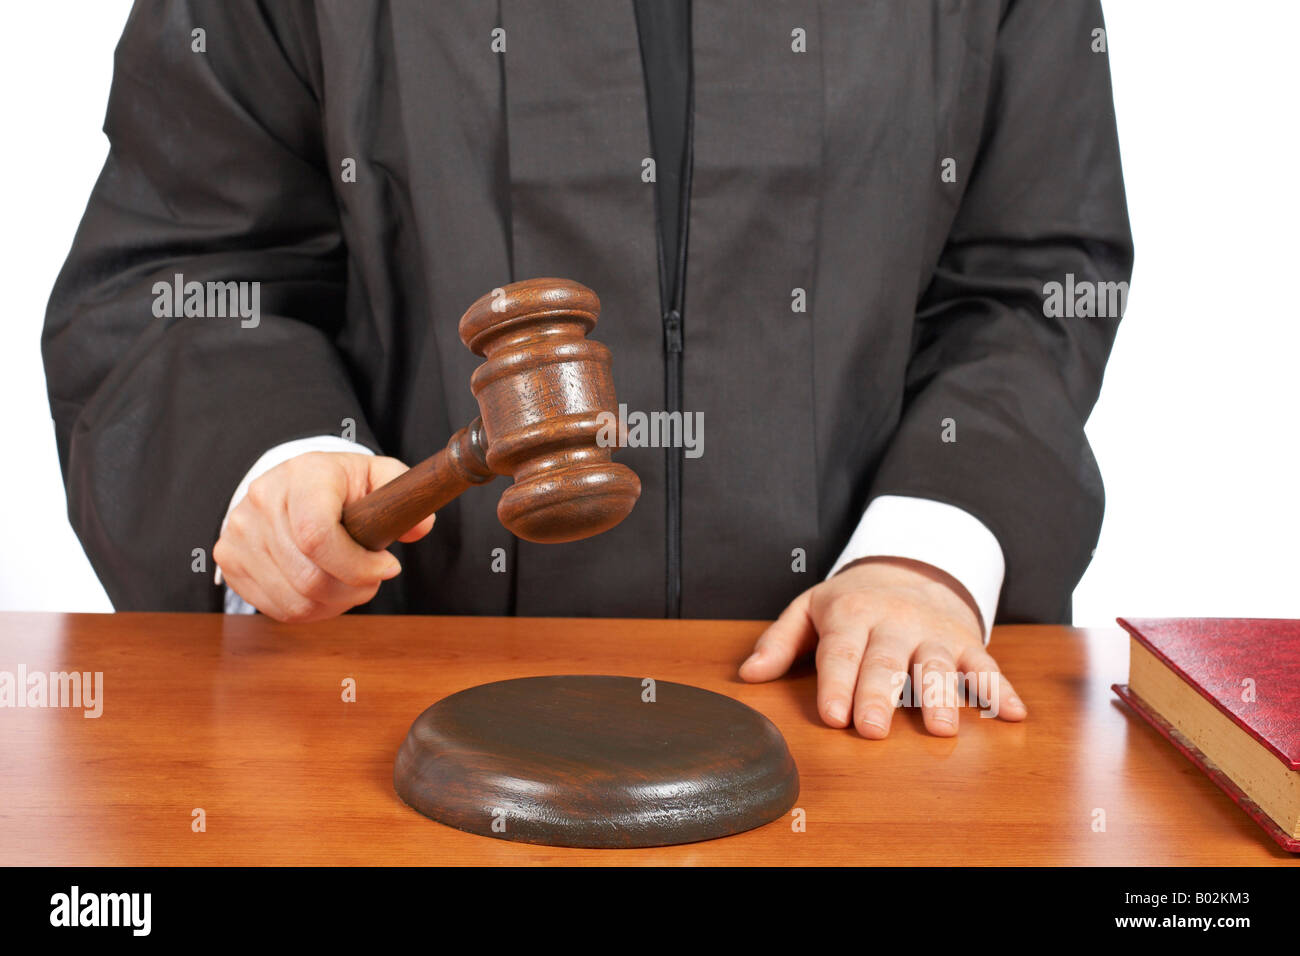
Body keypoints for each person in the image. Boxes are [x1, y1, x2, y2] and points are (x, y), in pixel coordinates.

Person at [43, 0, 1132, 740]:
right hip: (389, 721)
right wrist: (274, 459)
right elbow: (191, 266)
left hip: (856, 718)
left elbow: (1028, 278)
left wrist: (924, 558)